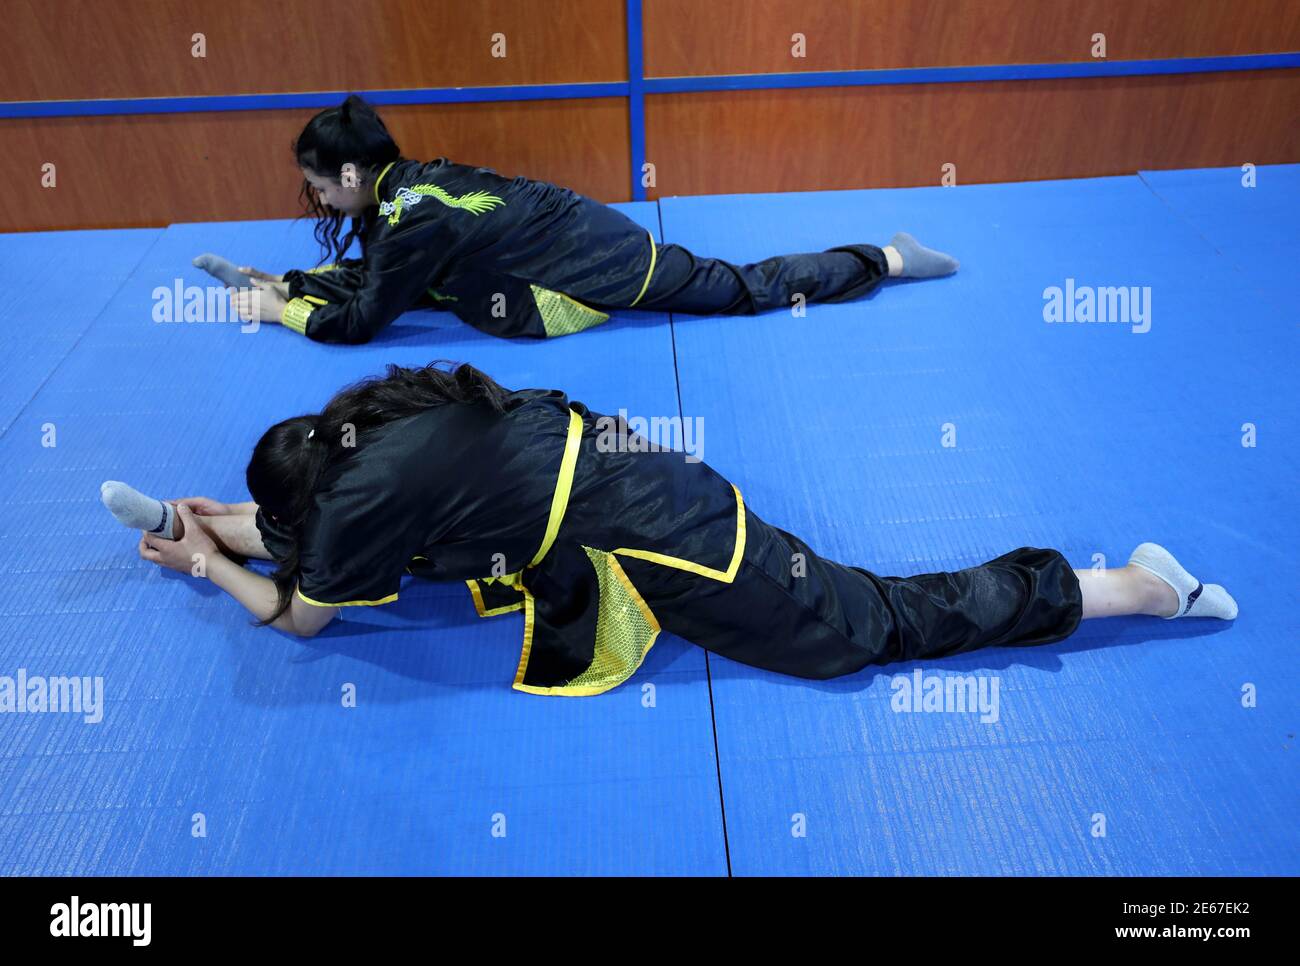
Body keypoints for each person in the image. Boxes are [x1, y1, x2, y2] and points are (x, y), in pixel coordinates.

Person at [101, 362, 1237, 697]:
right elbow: (329, 527)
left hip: (667, 525)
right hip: (632, 464)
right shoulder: (369, 427)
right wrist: (238, 521)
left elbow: (298, 621)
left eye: (276, 519)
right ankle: (1122, 585)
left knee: (866, 627)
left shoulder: (338, 515)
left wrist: (211, 560)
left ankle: (1131, 587)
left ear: (314, 502)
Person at [194, 94, 959, 345]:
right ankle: (884, 258)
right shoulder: (410, 191)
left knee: (742, 288)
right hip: (574, 237)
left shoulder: (407, 219)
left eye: (320, 188)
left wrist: (282, 310)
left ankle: (887, 261)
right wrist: (291, 281)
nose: (322, 201)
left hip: (591, 278)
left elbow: (365, 319)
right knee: (420, 288)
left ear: (352, 174)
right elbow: (388, 277)